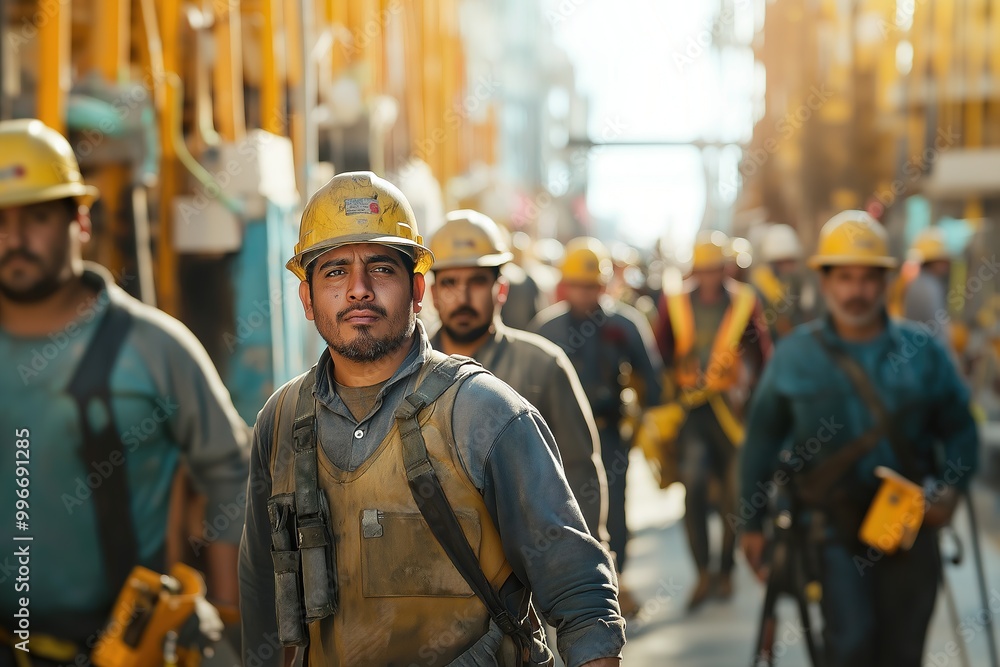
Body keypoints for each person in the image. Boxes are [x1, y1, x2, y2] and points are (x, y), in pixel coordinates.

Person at [238, 172, 624, 666]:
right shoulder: (282, 419)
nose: (357, 290)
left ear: (418, 290)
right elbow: (260, 590)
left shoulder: (485, 411)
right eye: (334, 271)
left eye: (380, 268)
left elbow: (581, 596)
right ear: (307, 299)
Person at [0, 119, 250, 663]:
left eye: (37, 217)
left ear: (80, 220)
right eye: (0, 222)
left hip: (126, 649)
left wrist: (230, 621)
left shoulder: (153, 349)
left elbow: (234, 473)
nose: (14, 240)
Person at [739, 210, 979, 667]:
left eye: (868, 278)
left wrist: (952, 488)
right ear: (826, 282)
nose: (856, 291)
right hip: (831, 533)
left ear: (885, 282)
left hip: (910, 527)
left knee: (903, 654)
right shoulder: (795, 357)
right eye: (844, 277)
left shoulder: (922, 352)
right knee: (849, 647)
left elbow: (961, 428)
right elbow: (760, 443)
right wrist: (750, 523)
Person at [427, 209, 609, 539]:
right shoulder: (410, 369)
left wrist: (593, 563)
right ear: (433, 293)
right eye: (450, 283)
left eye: (477, 282)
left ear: (501, 289)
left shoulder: (543, 365)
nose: (463, 298)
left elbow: (580, 471)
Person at [531, 237, 663, 581]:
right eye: (577, 286)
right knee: (558, 512)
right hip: (557, 440)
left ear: (604, 285)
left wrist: (651, 425)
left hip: (610, 434)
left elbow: (653, 378)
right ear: (564, 286)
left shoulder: (626, 325)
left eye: (592, 286)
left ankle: (612, 584)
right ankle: (569, 584)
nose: (585, 294)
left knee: (612, 510)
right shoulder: (545, 329)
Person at [653, 230, 771, 610]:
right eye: (702, 270)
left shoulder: (745, 302)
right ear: (694, 271)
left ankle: (725, 570)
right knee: (695, 484)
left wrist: (750, 387)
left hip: (732, 413)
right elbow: (661, 353)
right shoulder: (673, 303)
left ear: (725, 269)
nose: (708, 277)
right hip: (692, 412)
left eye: (714, 269)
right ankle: (703, 572)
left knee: (735, 494)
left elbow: (762, 354)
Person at [750, 223, 818, 341]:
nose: (789, 267)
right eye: (783, 262)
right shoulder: (760, 285)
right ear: (773, 263)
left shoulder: (799, 283)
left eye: (791, 261)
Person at [902, 227, 953, 348]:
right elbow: (939, 331)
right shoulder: (930, 288)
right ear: (934, 261)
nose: (947, 263)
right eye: (943, 259)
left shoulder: (917, 283)